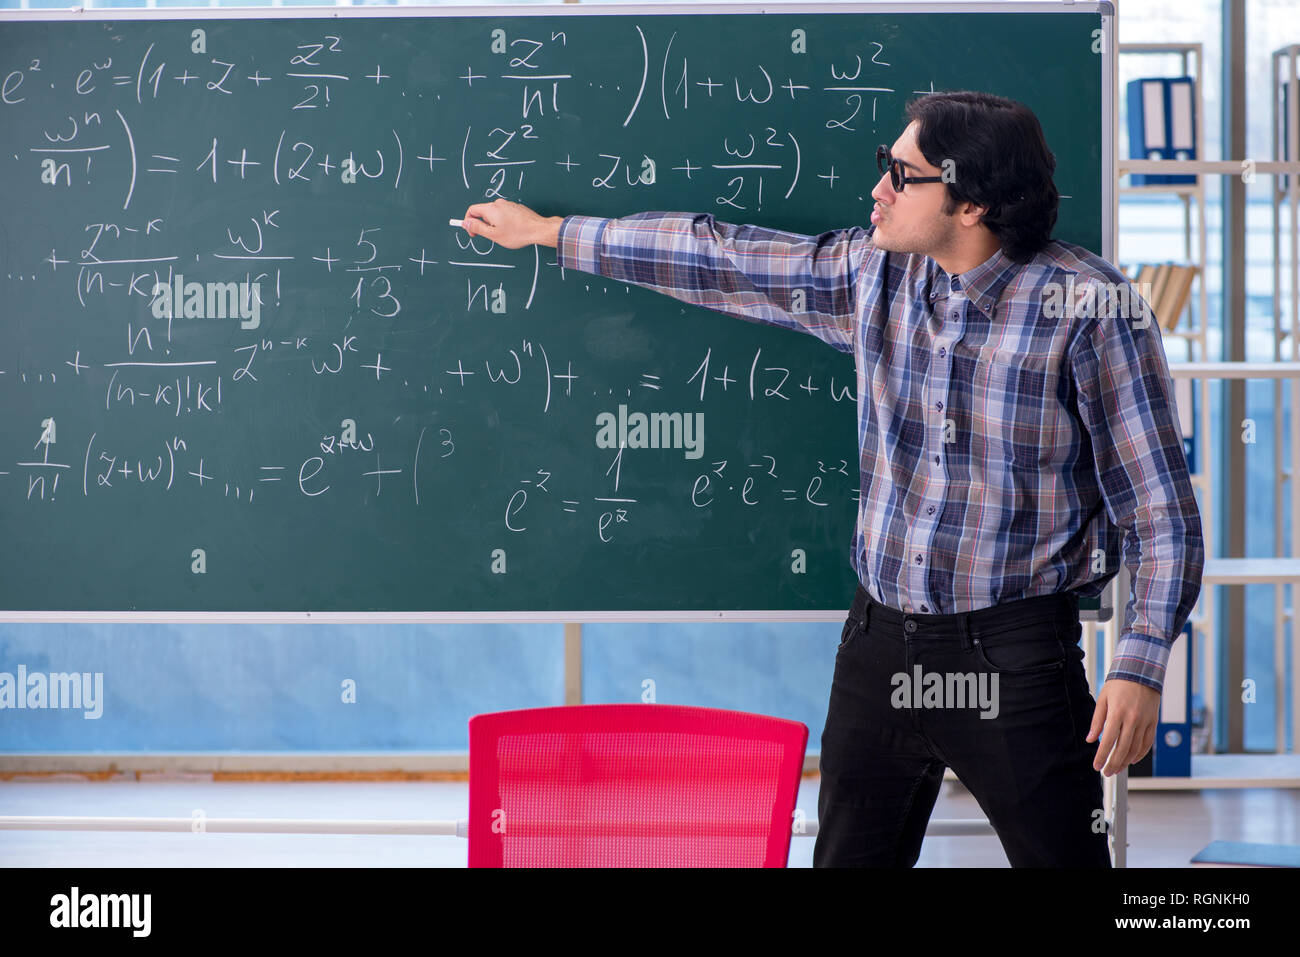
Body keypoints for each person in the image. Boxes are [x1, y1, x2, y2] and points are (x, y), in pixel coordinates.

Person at [459, 90, 1204, 867]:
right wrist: (552, 233)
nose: (878, 188)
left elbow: (1159, 512)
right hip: (878, 644)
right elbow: (722, 256)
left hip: (1013, 657)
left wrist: (1141, 662)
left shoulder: (1090, 308)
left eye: (902, 174)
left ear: (972, 201)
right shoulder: (871, 275)